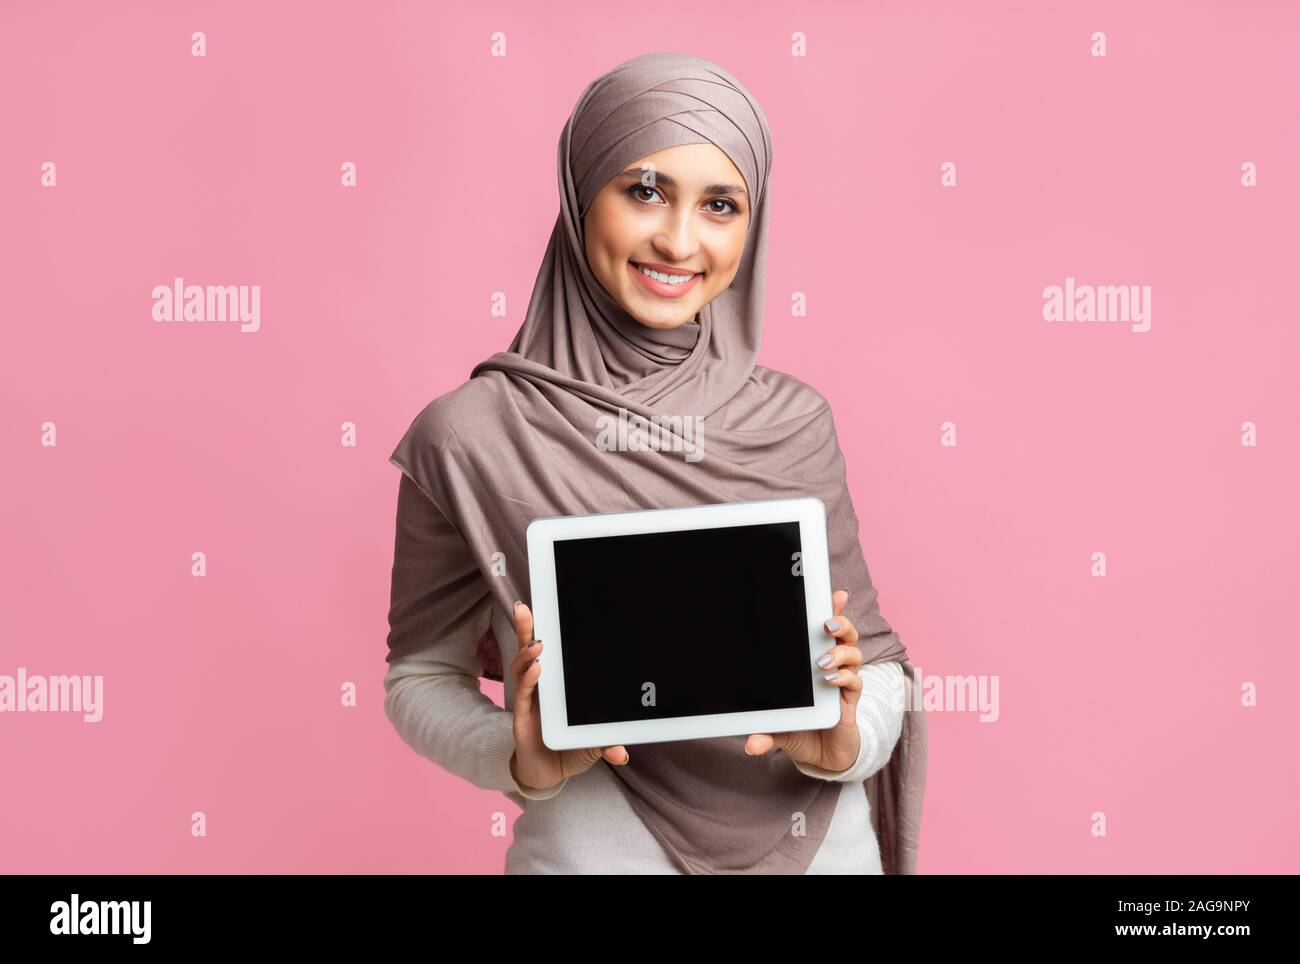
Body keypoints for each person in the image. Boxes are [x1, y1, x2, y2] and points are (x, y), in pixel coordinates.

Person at [384, 51, 927, 875]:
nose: (679, 240)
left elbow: (879, 667)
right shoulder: (470, 436)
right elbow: (419, 677)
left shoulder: (792, 420)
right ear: (579, 193)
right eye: (644, 191)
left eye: (720, 205)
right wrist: (518, 755)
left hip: (822, 855)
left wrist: (843, 738)